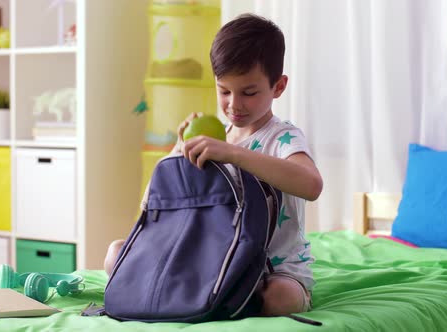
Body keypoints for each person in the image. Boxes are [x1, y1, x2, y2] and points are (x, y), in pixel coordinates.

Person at [104, 13, 323, 317]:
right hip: (211, 258)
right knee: (116, 254)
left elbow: (312, 185)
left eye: (249, 92)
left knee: (281, 298)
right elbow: (152, 207)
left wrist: (233, 154)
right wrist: (179, 152)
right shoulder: (212, 137)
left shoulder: (283, 137)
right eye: (224, 91)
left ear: (278, 86)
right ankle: (212, 294)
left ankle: (217, 296)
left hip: (272, 267)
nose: (234, 104)